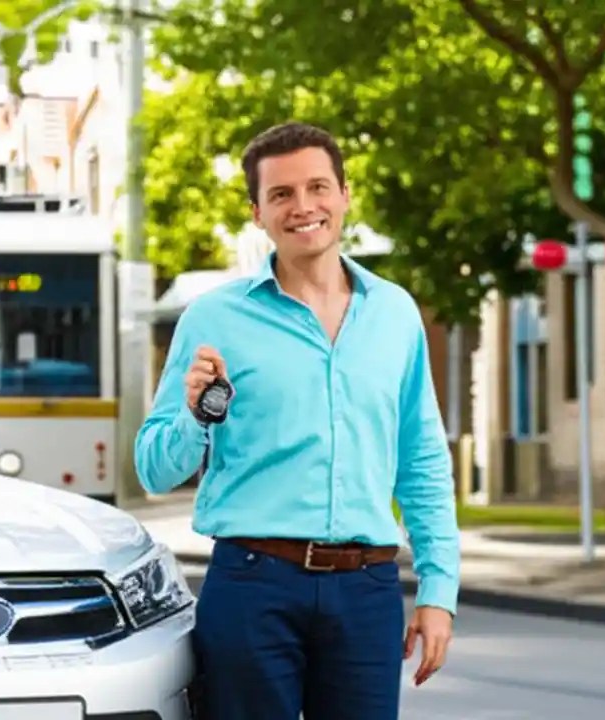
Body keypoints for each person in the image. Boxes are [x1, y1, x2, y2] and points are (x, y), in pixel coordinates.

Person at [134, 121, 460, 720]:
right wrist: (190, 414)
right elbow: (154, 470)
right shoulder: (214, 318)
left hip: (366, 590)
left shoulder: (394, 313)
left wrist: (439, 593)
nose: (303, 207)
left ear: (343, 195)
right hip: (253, 586)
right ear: (257, 212)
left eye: (317, 187)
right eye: (282, 194)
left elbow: (421, 461)